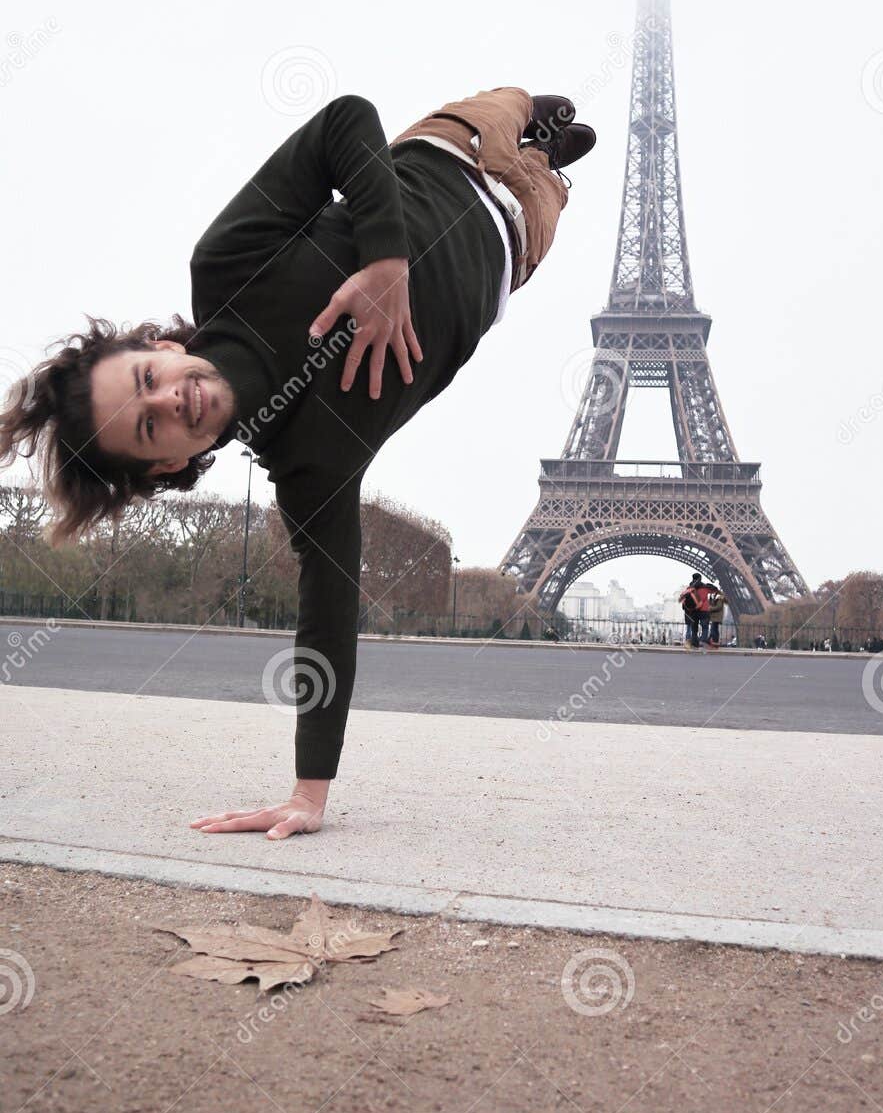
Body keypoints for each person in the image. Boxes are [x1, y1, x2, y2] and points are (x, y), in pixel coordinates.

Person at [1, 88, 595, 839]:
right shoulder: (310, 470)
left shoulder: (227, 264)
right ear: (163, 469)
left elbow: (346, 120)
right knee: (548, 179)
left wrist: (385, 263)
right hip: (521, 233)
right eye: (149, 429)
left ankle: (537, 125)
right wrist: (308, 796)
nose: (172, 401)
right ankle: (547, 152)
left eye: (148, 379)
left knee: (526, 106)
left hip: (458, 142)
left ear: (163, 348)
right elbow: (327, 620)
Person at [679, 572, 711, 649]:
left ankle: (694, 643)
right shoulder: (704, 588)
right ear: (700, 578)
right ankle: (703, 642)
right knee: (705, 627)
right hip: (704, 610)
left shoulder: (689, 588)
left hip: (693, 611)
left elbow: (684, 600)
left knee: (694, 628)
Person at [706, 584, 726, 648]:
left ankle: (711, 640)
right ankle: (714, 642)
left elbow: (719, 606)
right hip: (714, 615)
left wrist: (710, 608)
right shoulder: (714, 596)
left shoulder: (719, 596)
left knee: (713, 628)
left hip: (717, 615)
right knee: (715, 629)